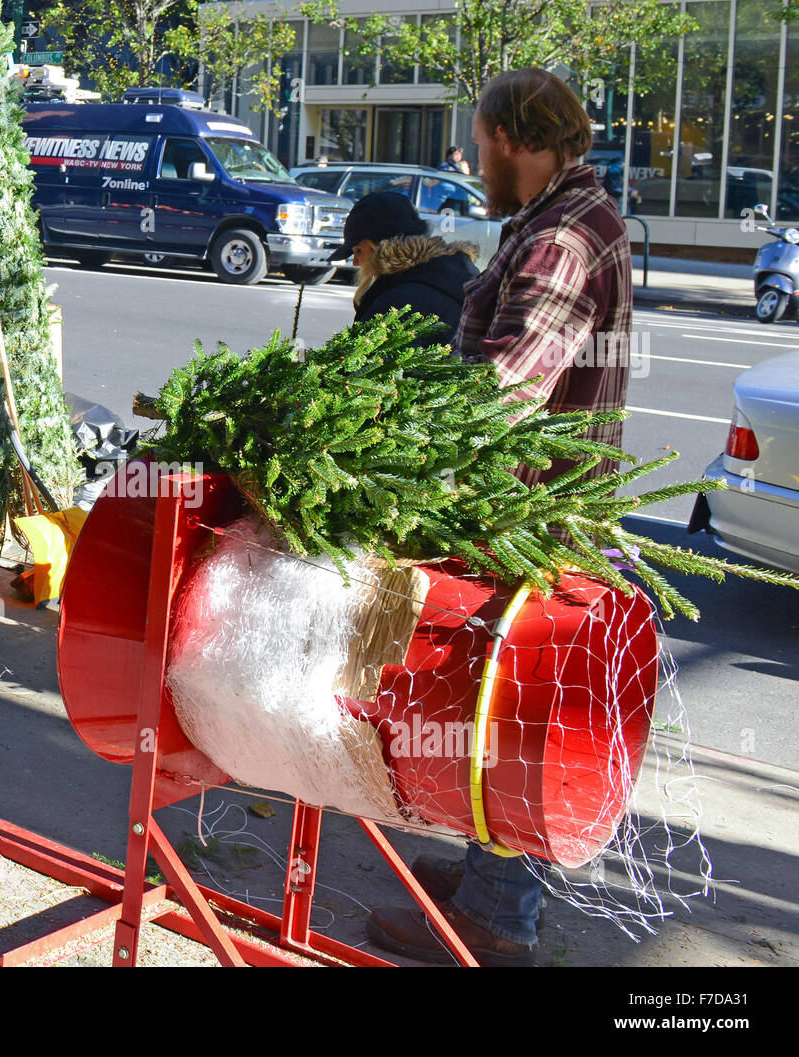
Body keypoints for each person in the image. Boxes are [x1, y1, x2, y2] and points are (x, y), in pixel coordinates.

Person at [366, 67, 634, 967]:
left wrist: (401, 449)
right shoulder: (556, 219)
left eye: (479, 139)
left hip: (532, 502)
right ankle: (490, 871)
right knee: (491, 694)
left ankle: (499, 920)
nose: (473, 155)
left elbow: (505, 389)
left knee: (511, 700)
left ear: (512, 139)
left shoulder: (563, 237)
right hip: (527, 495)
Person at [329, 191, 478, 346]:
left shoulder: (395, 303)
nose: (355, 263)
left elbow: (364, 364)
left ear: (378, 249)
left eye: (358, 251)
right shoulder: (457, 271)